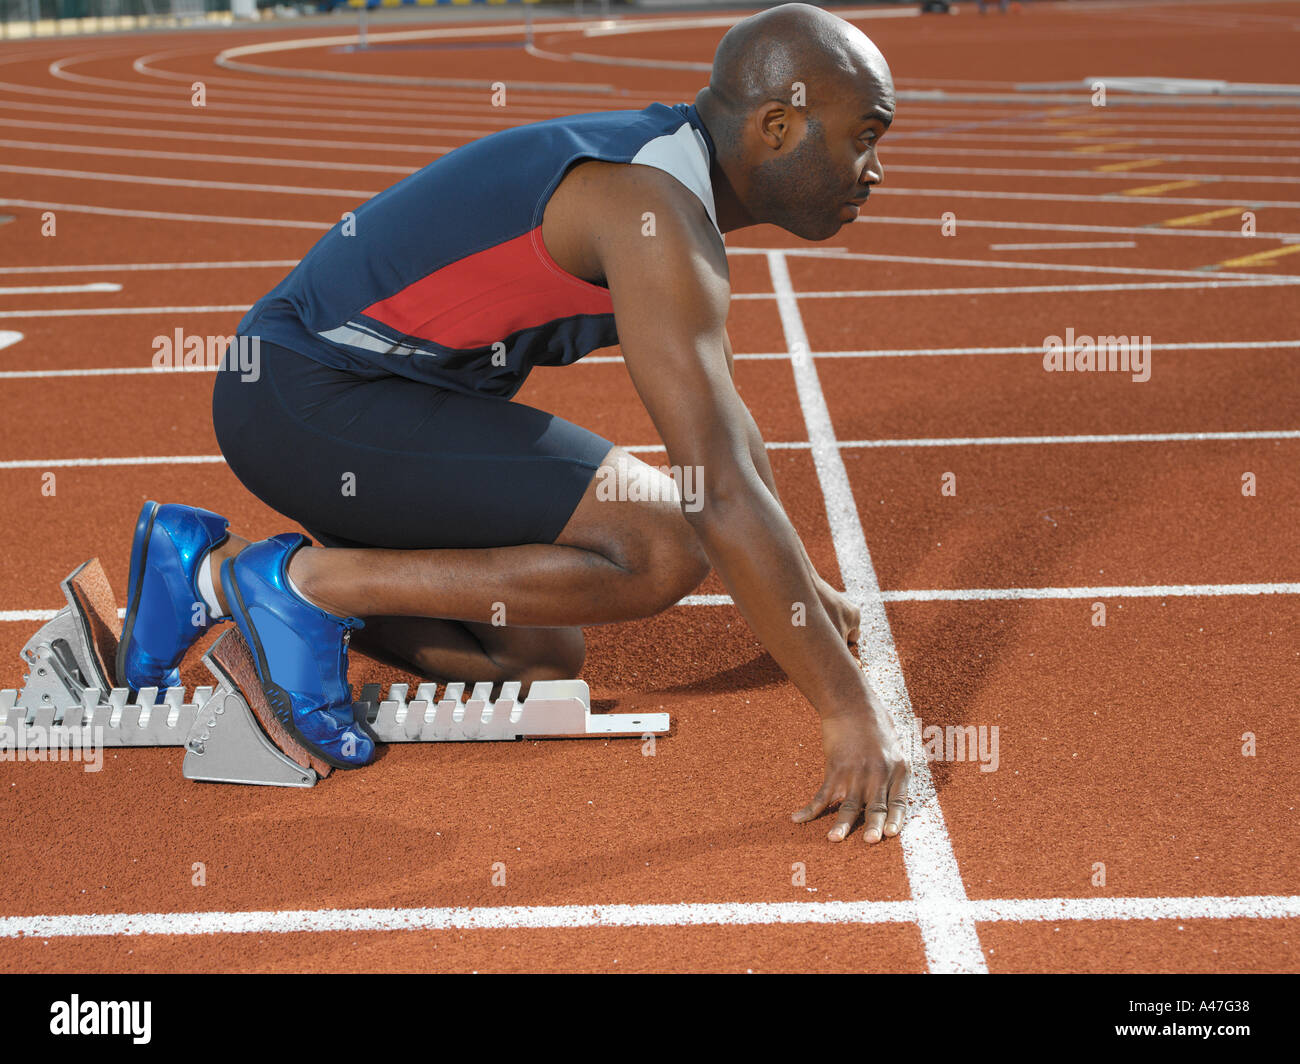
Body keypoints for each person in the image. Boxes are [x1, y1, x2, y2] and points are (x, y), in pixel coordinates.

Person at [118, 3, 910, 844]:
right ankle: (302, 588)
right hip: (307, 396)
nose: (875, 170)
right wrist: (848, 713)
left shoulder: (667, 181)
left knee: (529, 662)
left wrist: (808, 598)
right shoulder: (651, 211)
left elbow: (729, 434)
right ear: (779, 126)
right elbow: (717, 489)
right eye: (866, 135)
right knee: (665, 543)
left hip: (352, 395)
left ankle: (206, 572)